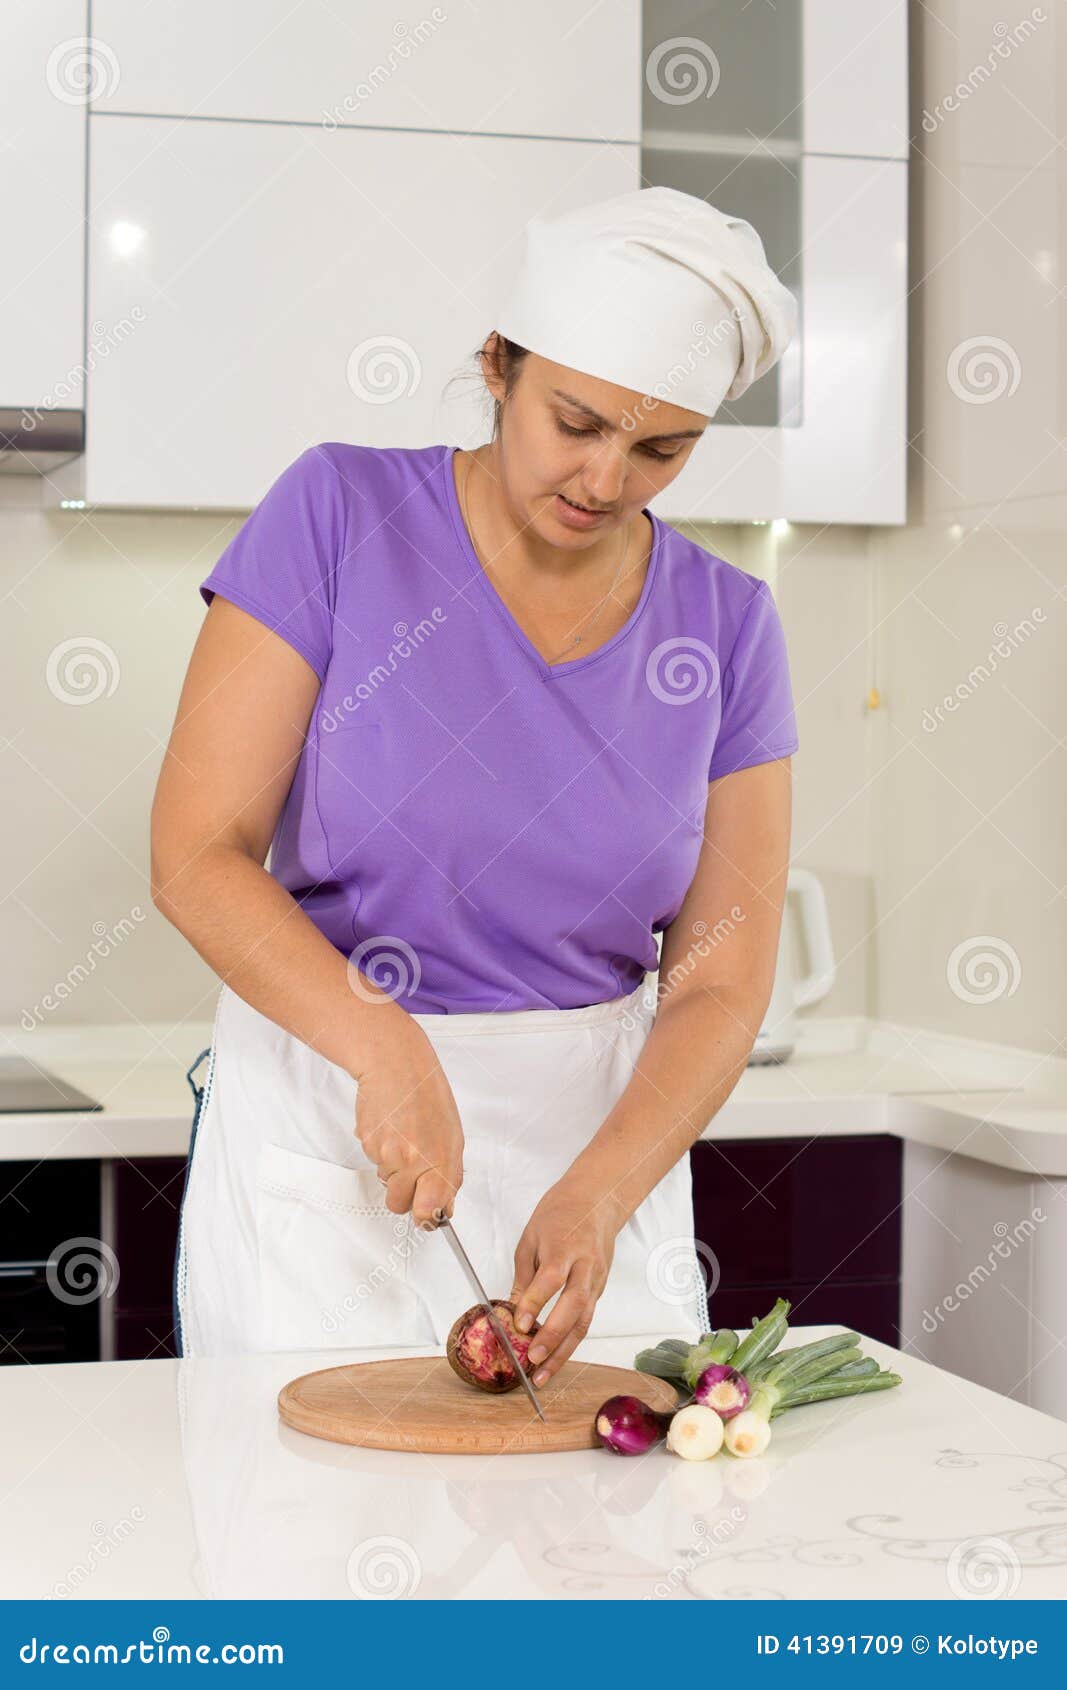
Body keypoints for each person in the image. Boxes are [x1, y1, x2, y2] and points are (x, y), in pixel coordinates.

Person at [151, 186, 800, 1383]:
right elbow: (196, 854)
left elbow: (719, 979)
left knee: (606, 1554)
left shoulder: (728, 624)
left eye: (659, 448)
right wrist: (380, 1045)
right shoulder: (336, 515)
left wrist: (604, 1191)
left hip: (600, 1159)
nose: (607, 477)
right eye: (577, 420)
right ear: (498, 366)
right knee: (315, 1540)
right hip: (335, 1124)